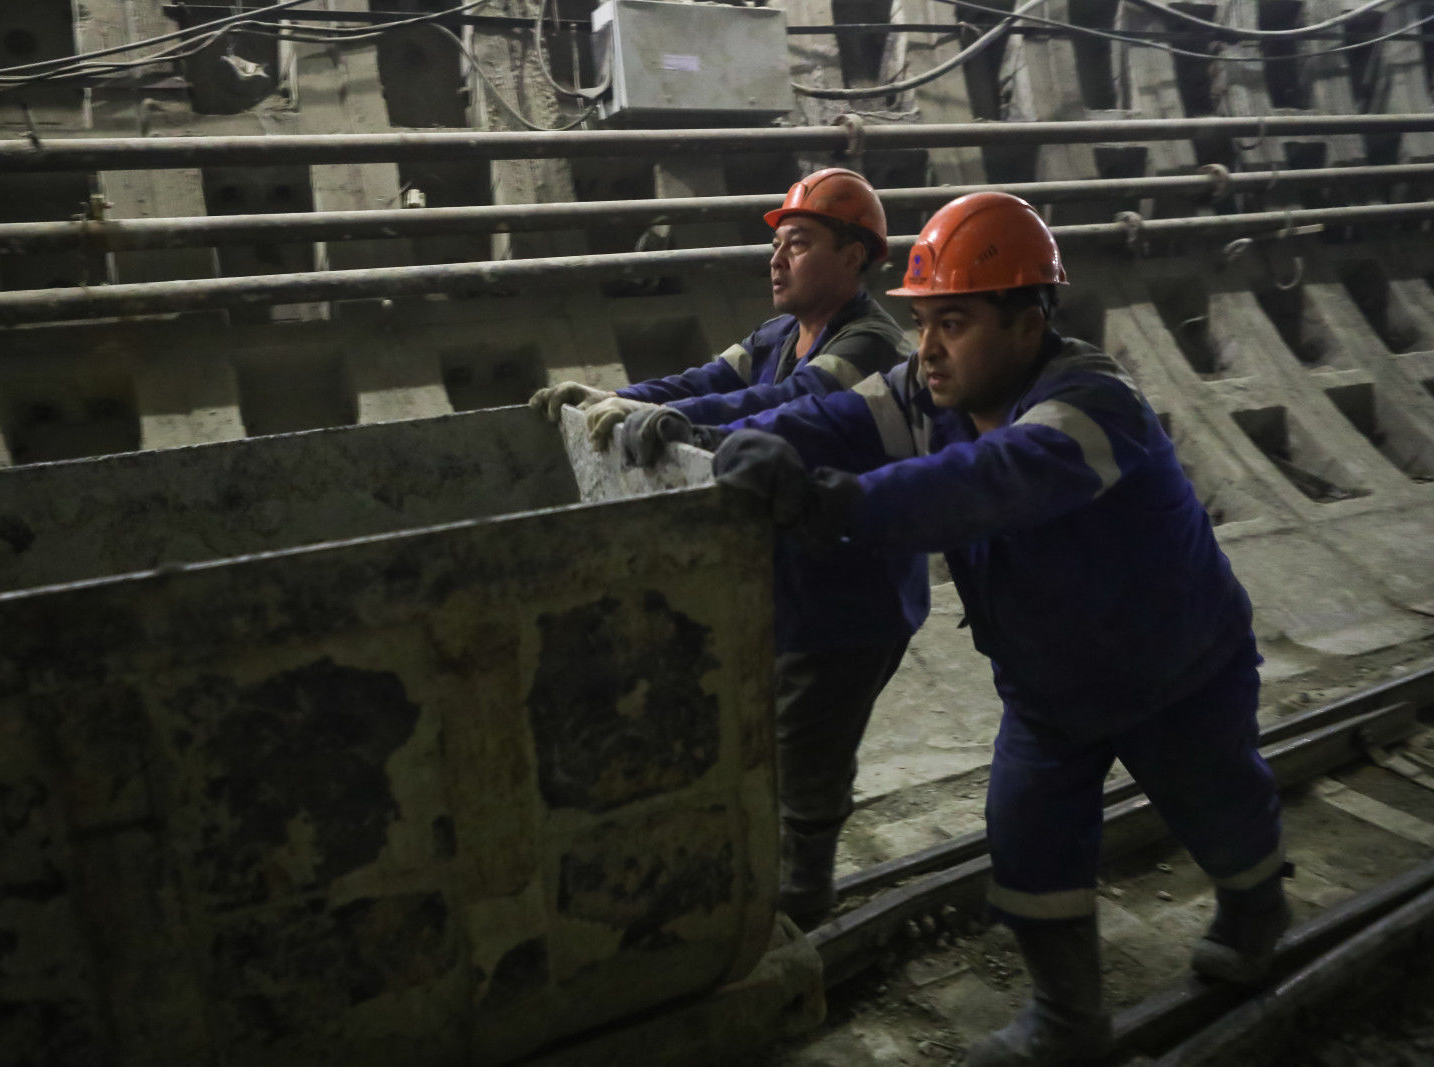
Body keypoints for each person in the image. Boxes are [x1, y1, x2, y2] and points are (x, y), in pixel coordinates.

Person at [651, 192, 1289, 1066]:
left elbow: (983, 483)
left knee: (1219, 810)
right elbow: (832, 417)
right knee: (1026, 839)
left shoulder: (1094, 402)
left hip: (1173, 673)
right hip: (1048, 688)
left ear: (1028, 325)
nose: (929, 347)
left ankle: (1255, 906)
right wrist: (720, 438)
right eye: (923, 322)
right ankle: (1068, 1019)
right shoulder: (930, 387)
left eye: (954, 322)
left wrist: (830, 501)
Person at [529, 169, 930, 930]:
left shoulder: (872, 341)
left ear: (854, 257)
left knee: (806, 754)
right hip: (794, 583)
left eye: (799, 243)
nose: (777, 259)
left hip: (854, 596)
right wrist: (620, 398)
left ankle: (801, 905)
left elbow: (786, 405)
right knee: (776, 742)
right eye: (776, 244)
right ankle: (770, 882)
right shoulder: (781, 332)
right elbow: (709, 377)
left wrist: (684, 425)